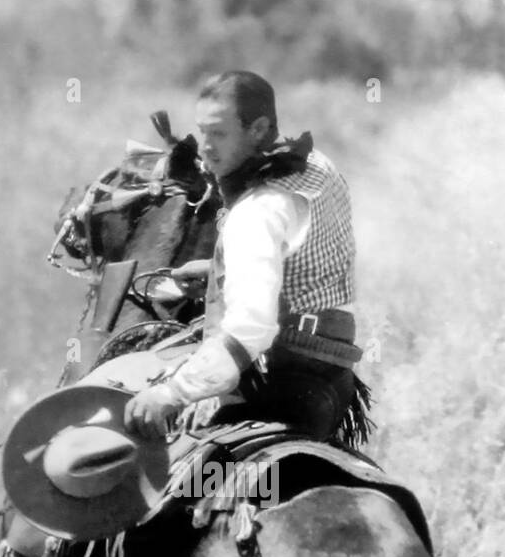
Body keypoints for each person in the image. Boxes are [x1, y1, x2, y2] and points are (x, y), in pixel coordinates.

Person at [123, 70, 366, 446]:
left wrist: (168, 394)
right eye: (202, 131)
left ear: (258, 129)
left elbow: (249, 330)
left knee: (179, 490)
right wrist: (221, 270)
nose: (204, 147)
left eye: (218, 133)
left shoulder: (258, 210)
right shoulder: (316, 167)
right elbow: (303, 257)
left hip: (277, 386)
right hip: (333, 381)